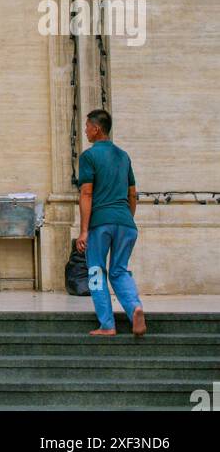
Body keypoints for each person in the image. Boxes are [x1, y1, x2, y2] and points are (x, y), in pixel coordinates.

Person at [76, 109, 146, 338]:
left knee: (96, 271)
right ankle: (135, 307)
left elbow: (86, 194)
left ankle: (107, 324)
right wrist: (127, 218)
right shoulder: (123, 156)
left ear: (96, 129)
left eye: (87, 126)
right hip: (125, 222)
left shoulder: (89, 156)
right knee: (119, 270)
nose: (85, 130)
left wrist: (83, 231)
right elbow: (132, 194)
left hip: (100, 224)